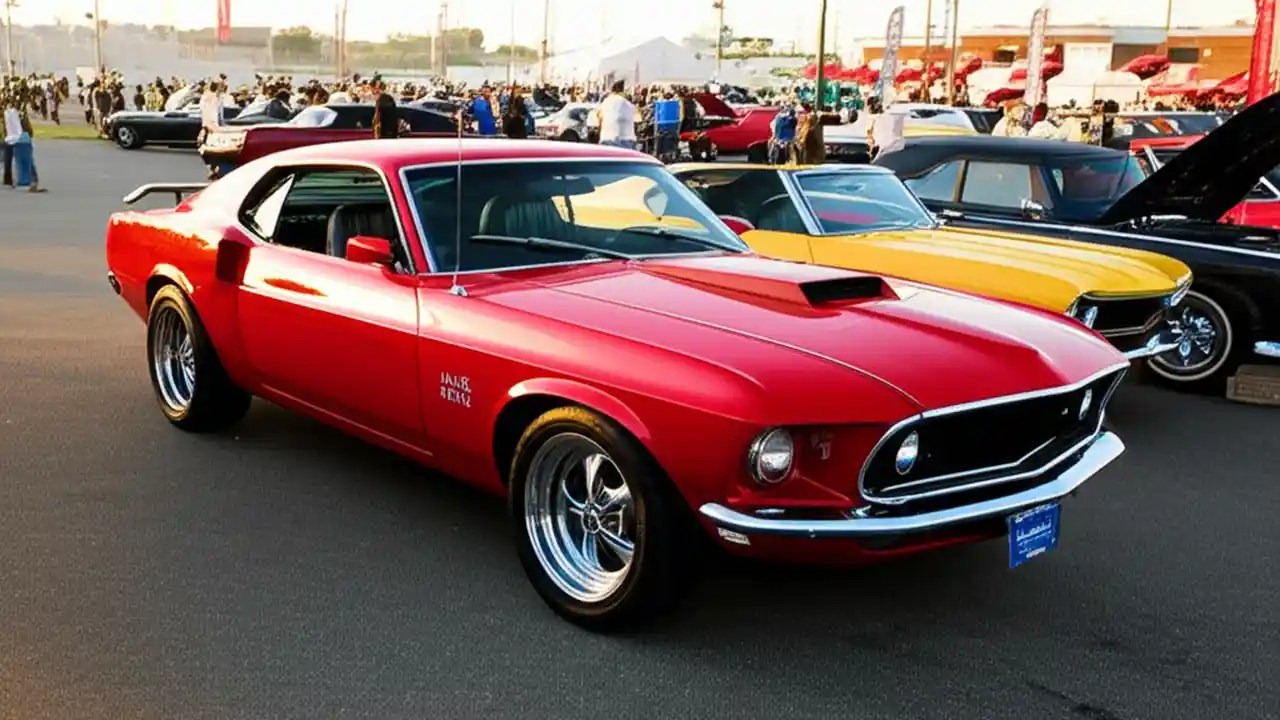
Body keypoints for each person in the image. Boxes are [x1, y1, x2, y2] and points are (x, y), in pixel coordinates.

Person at [5, 100, 45, 192]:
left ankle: (26, 181)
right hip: (22, 138)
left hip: (18, 138)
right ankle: (30, 180)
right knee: (26, 159)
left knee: (23, 160)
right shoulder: (18, 114)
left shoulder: (13, 113)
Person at [595, 80, 637, 150]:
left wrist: (599, 134)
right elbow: (636, 119)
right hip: (628, 140)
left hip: (608, 139)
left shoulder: (606, 102)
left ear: (612, 90)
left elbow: (599, 118)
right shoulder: (629, 104)